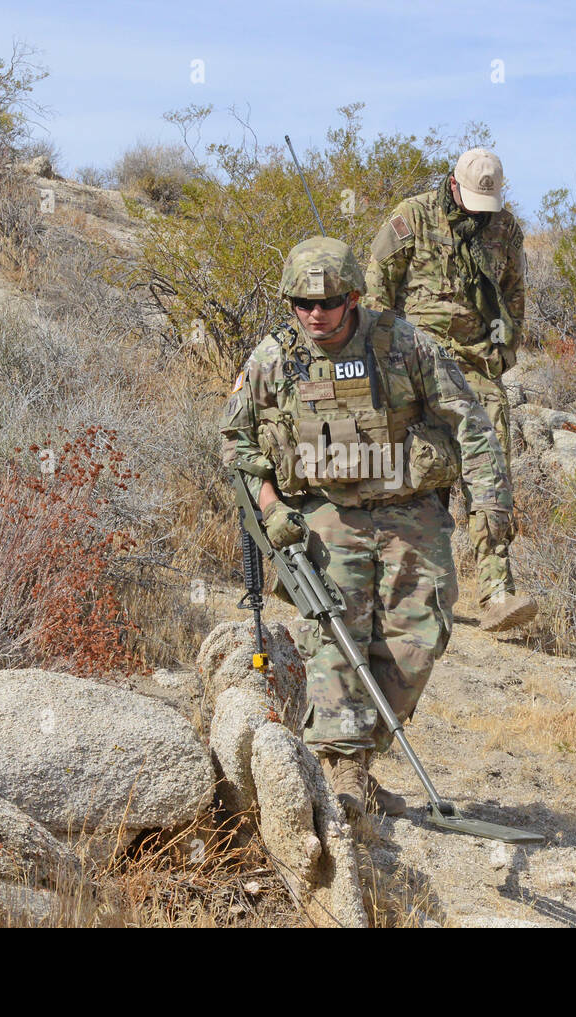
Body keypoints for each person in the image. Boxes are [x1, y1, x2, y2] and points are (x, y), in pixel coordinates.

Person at [220, 237, 514, 818]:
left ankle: (359, 753)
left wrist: (490, 503)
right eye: (302, 303)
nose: (315, 314)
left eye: (328, 301)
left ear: (353, 296)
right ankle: (342, 769)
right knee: (334, 634)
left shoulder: (403, 343)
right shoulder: (272, 359)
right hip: (326, 511)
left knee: (418, 637)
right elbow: (237, 441)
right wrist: (271, 506)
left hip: (411, 509)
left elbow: (471, 424)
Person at [364, 147, 538, 632]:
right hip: (416, 362)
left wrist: (503, 351)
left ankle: (497, 590)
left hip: (477, 364)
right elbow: (377, 288)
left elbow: (515, 295)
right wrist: (385, 358)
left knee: (491, 468)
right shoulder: (411, 217)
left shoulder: (505, 229)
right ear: (454, 183)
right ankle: (424, 588)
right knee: (424, 470)